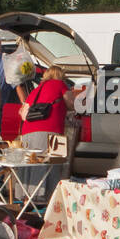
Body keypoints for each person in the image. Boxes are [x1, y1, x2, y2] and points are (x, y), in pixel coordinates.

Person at [18, 66, 86, 196]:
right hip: (51, 132)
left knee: (30, 165)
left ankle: (27, 198)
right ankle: (49, 198)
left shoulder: (36, 90)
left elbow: (23, 114)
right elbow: (72, 104)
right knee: (52, 166)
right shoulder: (60, 84)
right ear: (60, 75)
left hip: (27, 132)